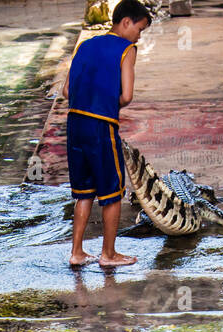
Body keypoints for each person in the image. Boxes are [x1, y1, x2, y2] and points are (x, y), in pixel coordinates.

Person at [62, 0, 152, 269]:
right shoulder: (126, 49)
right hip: (101, 126)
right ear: (126, 22)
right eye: (140, 29)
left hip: (75, 123)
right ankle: (108, 254)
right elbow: (126, 95)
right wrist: (106, 103)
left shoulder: (85, 45)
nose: (139, 36)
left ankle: (77, 252)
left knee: (84, 191)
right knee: (112, 190)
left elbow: (67, 91)